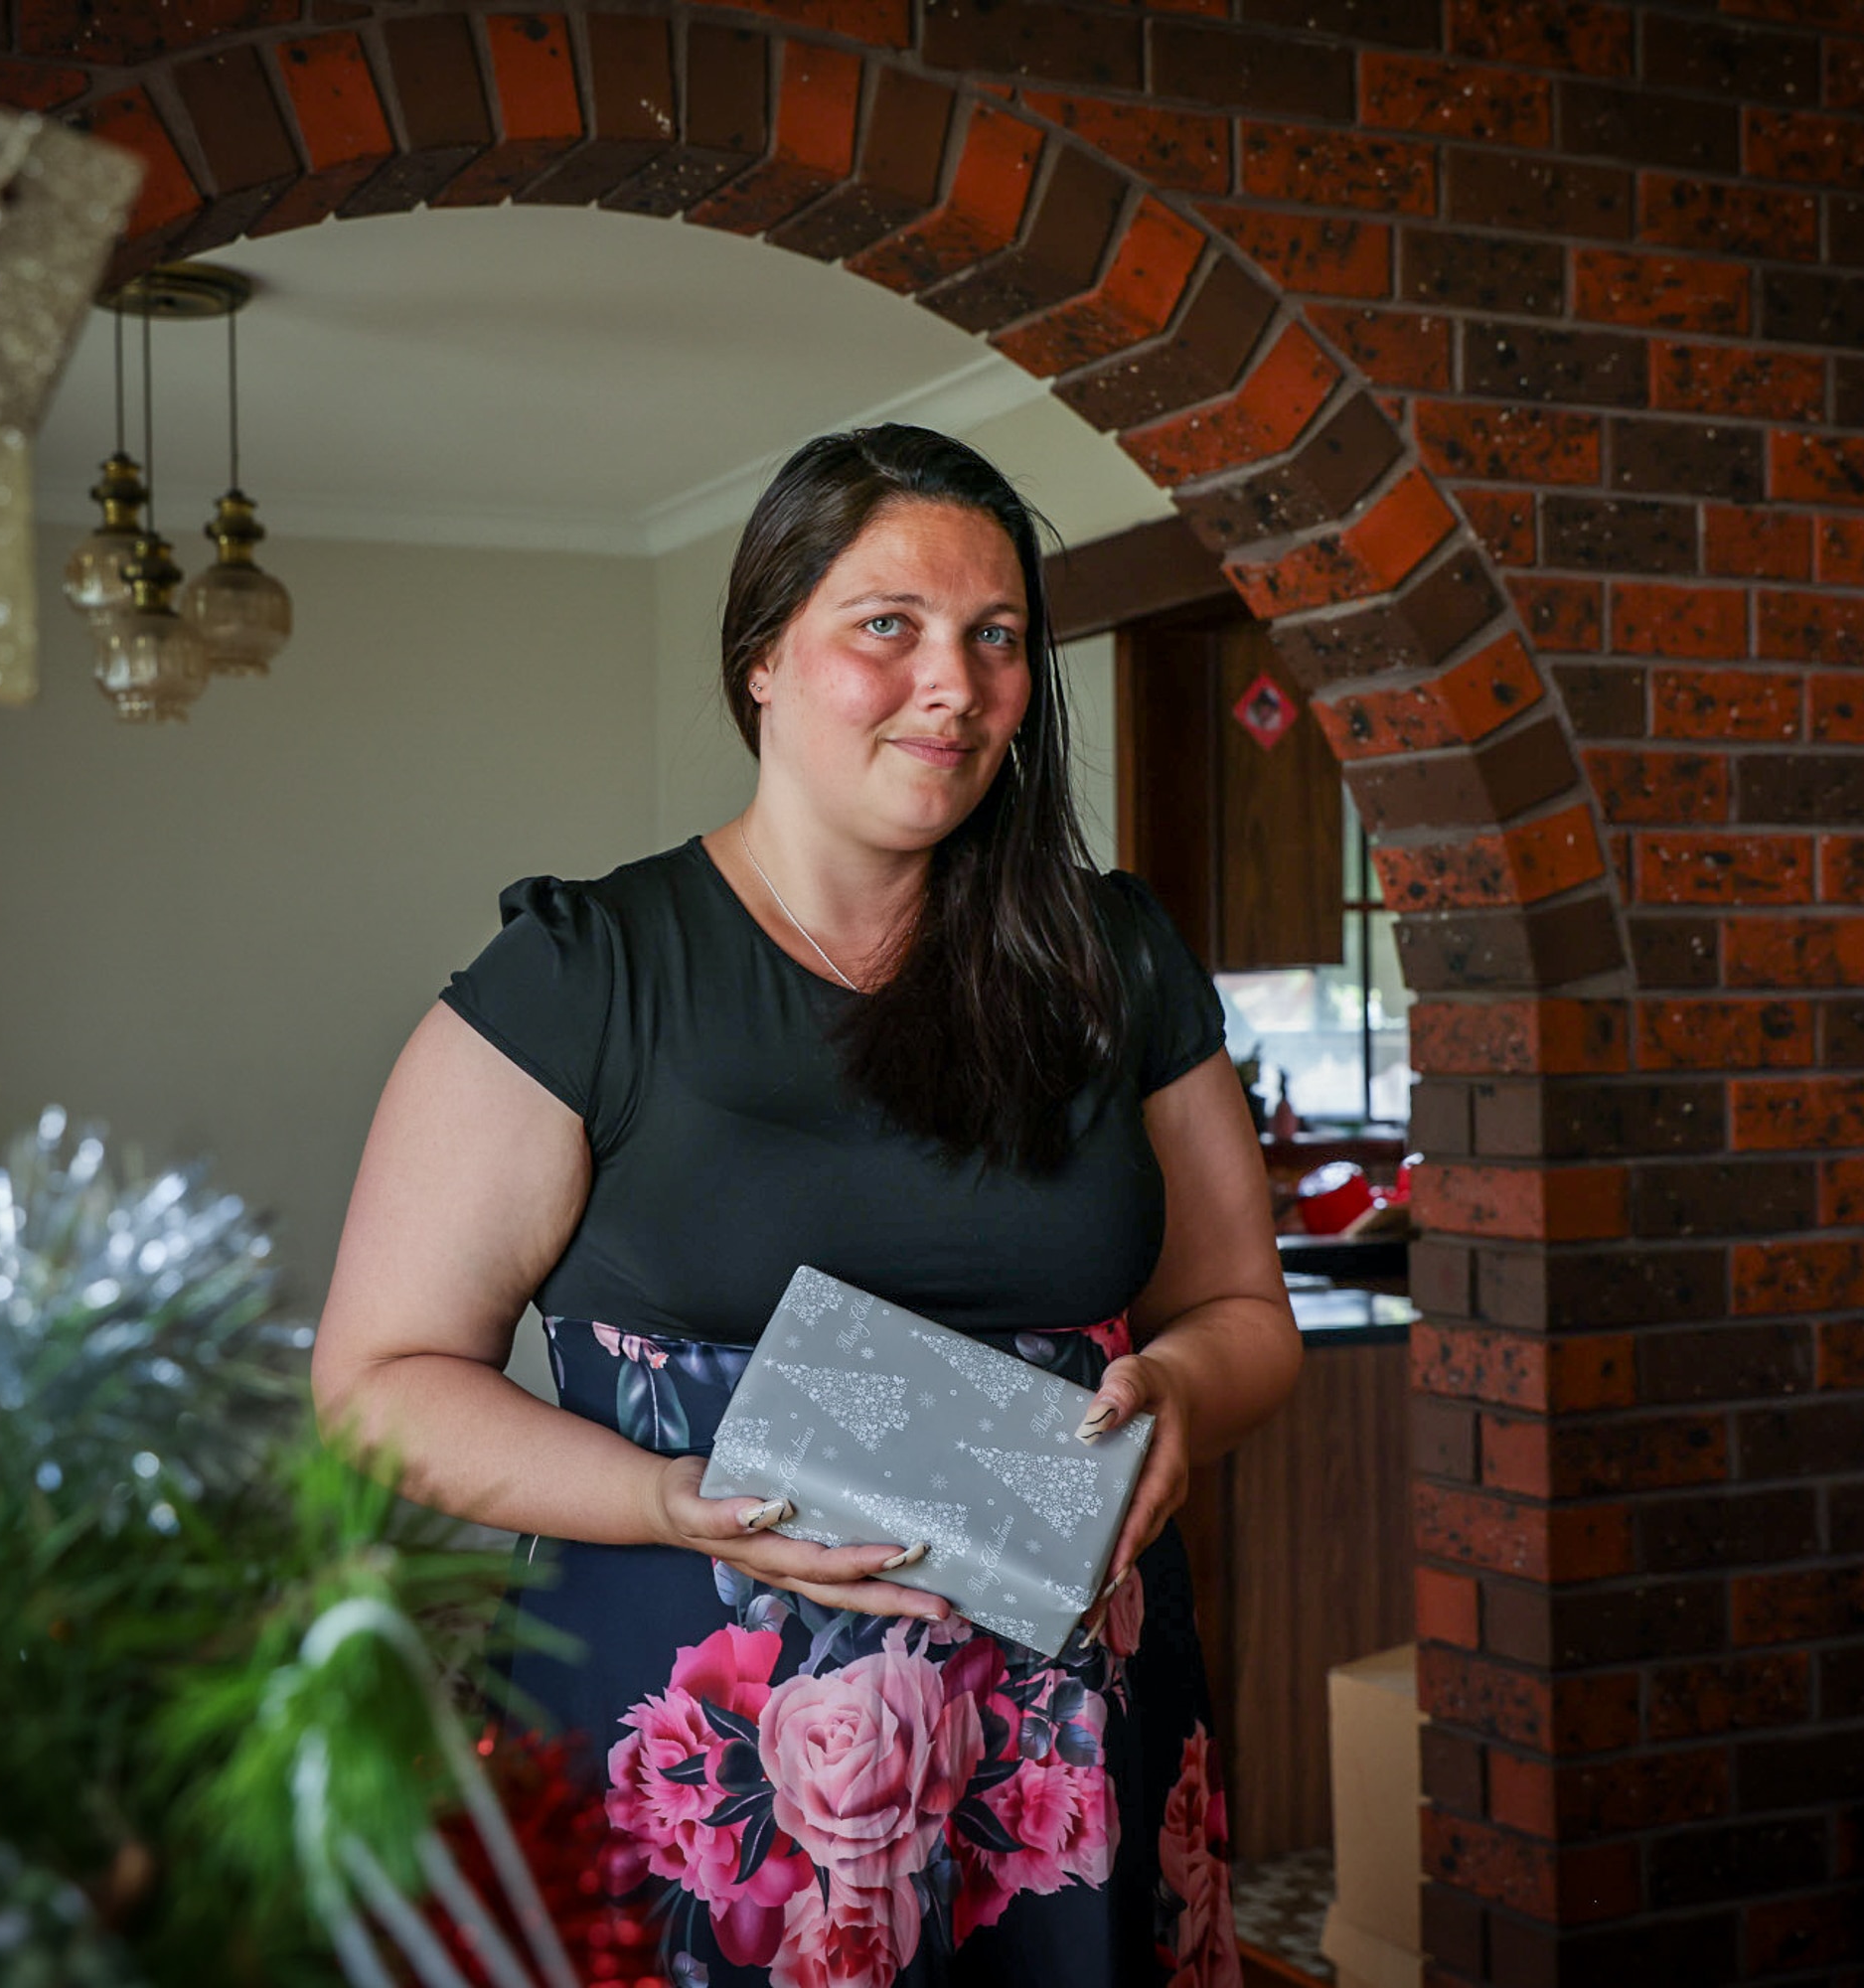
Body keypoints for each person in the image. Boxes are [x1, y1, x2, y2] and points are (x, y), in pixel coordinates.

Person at [312, 424, 1299, 1988]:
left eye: (998, 638)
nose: (955, 684)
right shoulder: (586, 976)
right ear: (762, 656)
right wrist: (661, 1493)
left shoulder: (1114, 960)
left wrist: (1179, 1387)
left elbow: (1247, 1310)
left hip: (1066, 1743)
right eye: (887, 626)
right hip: (705, 1756)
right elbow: (375, 1387)